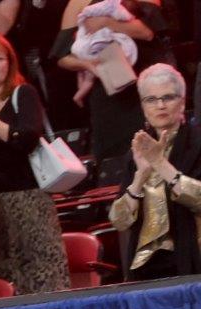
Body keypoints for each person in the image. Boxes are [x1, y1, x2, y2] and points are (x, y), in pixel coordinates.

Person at [0, 33, 69, 294]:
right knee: (0, 286)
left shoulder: (23, 94)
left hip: (29, 203)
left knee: (44, 281)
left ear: (10, 63)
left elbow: (26, 139)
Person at [52, 0, 171, 171]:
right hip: (108, 92)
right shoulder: (77, 3)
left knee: (159, 153)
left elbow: (147, 32)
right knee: (115, 162)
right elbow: (62, 57)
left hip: (150, 84)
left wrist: (106, 23)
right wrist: (89, 64)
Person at [107, 64, 200, 282]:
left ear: (183, 101)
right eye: (151, 99)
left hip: (190, 257)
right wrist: (140, 177)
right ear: (143, 106)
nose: (160, 105)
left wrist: (160, 163)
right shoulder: (137, 151)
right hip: (144, 265)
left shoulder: (197, 143)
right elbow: (119, 221)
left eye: (168, 97)